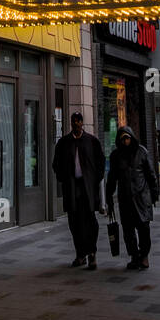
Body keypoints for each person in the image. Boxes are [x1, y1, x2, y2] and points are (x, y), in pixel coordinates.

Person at [52, 111, 105, 270]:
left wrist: (95, 179)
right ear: (70, 123)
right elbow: (57, 164)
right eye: (74, 121)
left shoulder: (91, 141)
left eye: (79, 121)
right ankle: (80, 253)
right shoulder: (64, 143)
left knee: (90, 221)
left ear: (83, 123)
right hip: (72, 187)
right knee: (74, 222)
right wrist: (64, 179)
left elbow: (100, 162)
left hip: (87, 188)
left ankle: (92, 253)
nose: (76, 124)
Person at [106, 126, 160, 270]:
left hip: (141, 198)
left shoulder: (142, 152)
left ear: (132, 138)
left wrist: (154, 193)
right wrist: (108, 197)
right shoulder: (116, 156)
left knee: (144, 229)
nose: (125, 141)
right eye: (122, 139)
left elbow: (150, 174)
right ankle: (134, 256)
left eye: (127, 138)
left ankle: (144, 255)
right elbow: (112, 178)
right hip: (125, 199)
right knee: (128, 231)